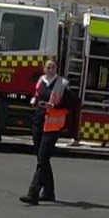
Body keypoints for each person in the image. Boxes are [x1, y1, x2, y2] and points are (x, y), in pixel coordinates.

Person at [19, 59, 69, 205]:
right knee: (42, 159)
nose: (50, 69)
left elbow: (69, 103)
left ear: (56, 68)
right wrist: (34, 100)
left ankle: (33, 193)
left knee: (42, 158)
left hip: (52, 125)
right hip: (39, 121)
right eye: (48, 67)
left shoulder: (63, 84)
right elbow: (36, 94)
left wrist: (54, 105)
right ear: (44, 68)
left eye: (53, 67)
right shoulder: (41, 80)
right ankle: (48, 193)